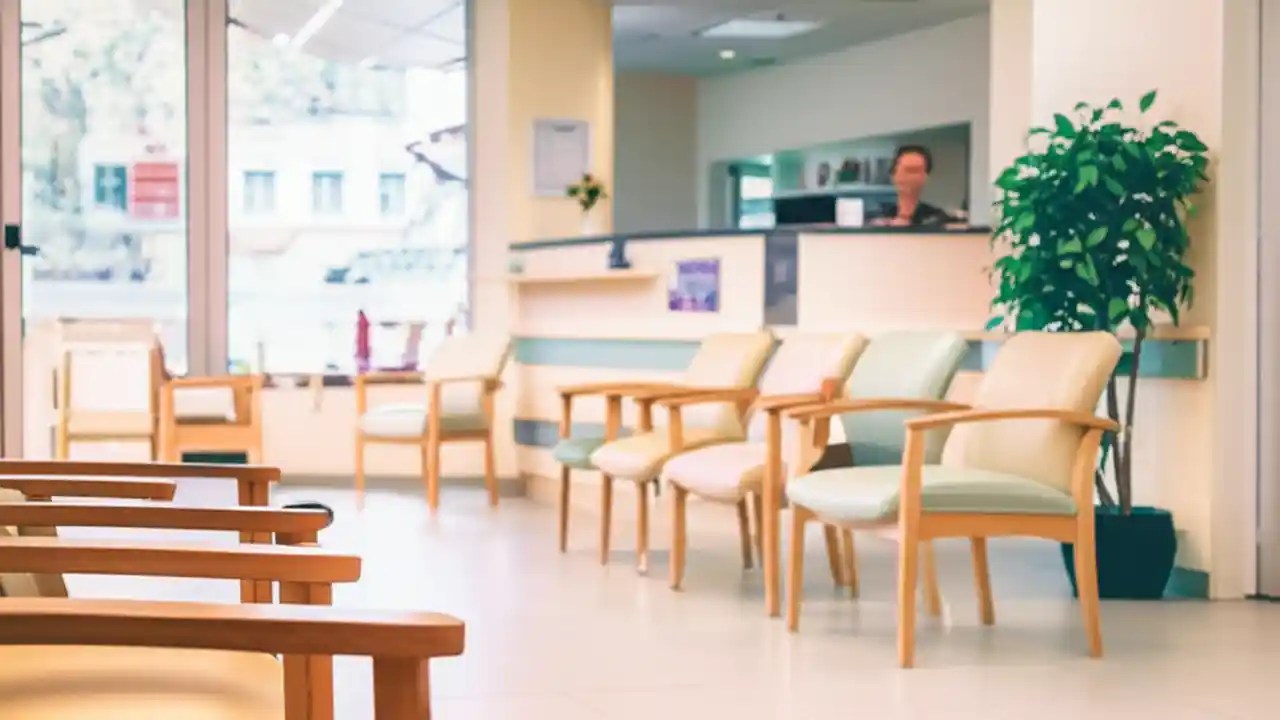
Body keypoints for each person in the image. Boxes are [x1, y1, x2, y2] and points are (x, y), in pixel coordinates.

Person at [871, 145, 953, 227]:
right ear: (893, 175)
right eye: (906, 170)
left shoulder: (935, 217)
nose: (910, 178)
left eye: (916, 171)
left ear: (926, 178)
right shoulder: (877, 214)